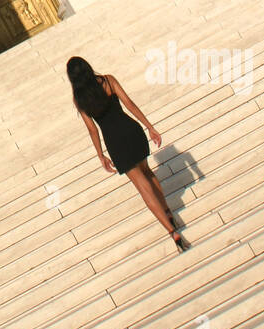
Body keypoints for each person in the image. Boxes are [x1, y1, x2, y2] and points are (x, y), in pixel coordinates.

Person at [67, 55, 190, 254]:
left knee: (142, 187)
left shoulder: (79, 99)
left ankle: (172, 231)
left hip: (115, 142)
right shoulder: (108, 80)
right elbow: (129, 104)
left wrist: (101, 155)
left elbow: (92, 129)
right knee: (148, 172)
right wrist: (149, 127)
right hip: (131, 130)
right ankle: (168, 212)